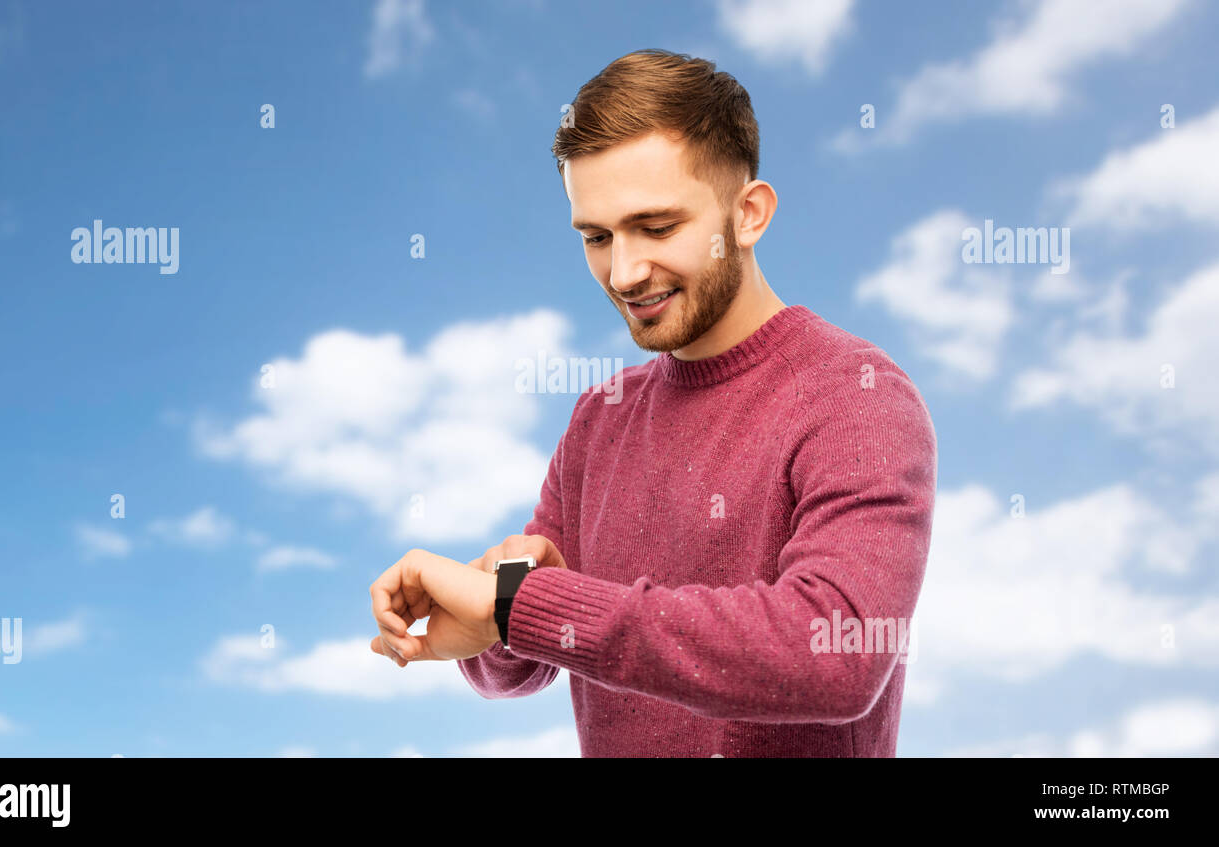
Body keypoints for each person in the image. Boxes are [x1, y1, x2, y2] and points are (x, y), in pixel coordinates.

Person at [369, 48, 937, 757]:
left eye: (657, 227)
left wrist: (519, 605)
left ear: (749, 215)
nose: (625, 271)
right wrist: (495, 619)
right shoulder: (598, 416)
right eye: (597, 237)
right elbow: (533, 642)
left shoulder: (858, 397)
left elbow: (835, 651)